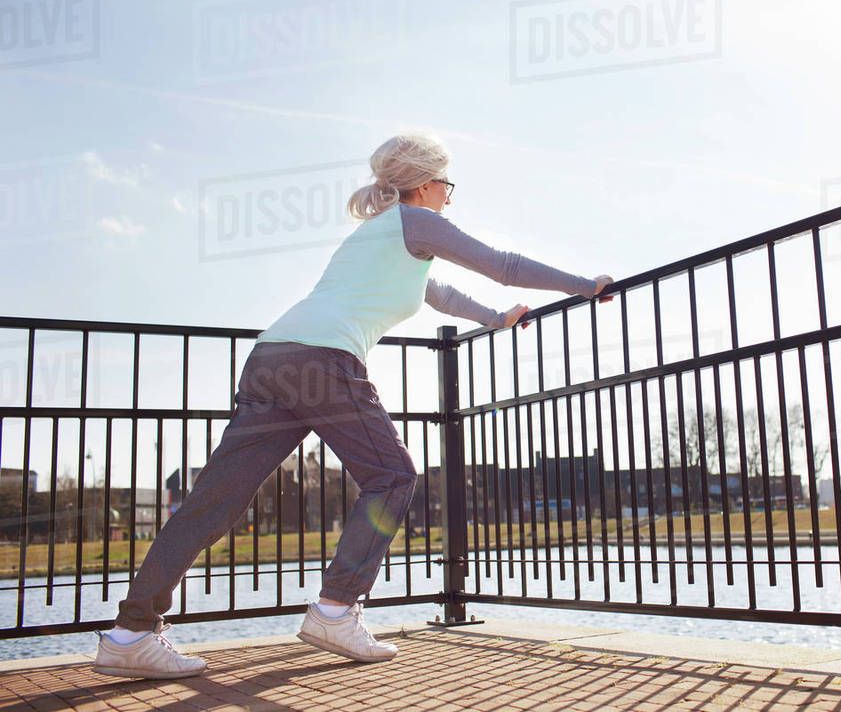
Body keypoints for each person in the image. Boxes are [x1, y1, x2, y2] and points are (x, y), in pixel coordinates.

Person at [93, 133, 612, 679]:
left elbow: (440, 293)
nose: (449, 197)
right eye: (447, 185)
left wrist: (493, 319)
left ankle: (130, 634)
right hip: (323, 361)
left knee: (213, 501)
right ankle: (336, 607)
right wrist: (584, 285)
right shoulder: (416, 221)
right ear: (426, 182)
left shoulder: (378, 237)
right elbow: (501, 262)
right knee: (392, 475)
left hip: (273, 358)